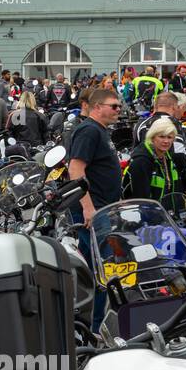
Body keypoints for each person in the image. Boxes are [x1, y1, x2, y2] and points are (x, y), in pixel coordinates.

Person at [68, 88, 123, 329]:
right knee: (101, 270)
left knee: (98, 268)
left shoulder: (100, 131)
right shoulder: (89, 131)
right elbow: (75, 171)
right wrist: (89, 208)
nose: (118, 110)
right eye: (114, 106)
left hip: (104, 208)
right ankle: (94, 327)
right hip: (95, 210)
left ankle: (93, 323)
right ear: (97, 106)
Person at [124, 117, 186, 206]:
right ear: (152, 137)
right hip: (150, 215)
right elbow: (142, 200)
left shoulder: (170, 158)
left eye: (169, 137)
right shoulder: (141, 162)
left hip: (171, 215)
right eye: (161, 136)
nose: (166, 141)